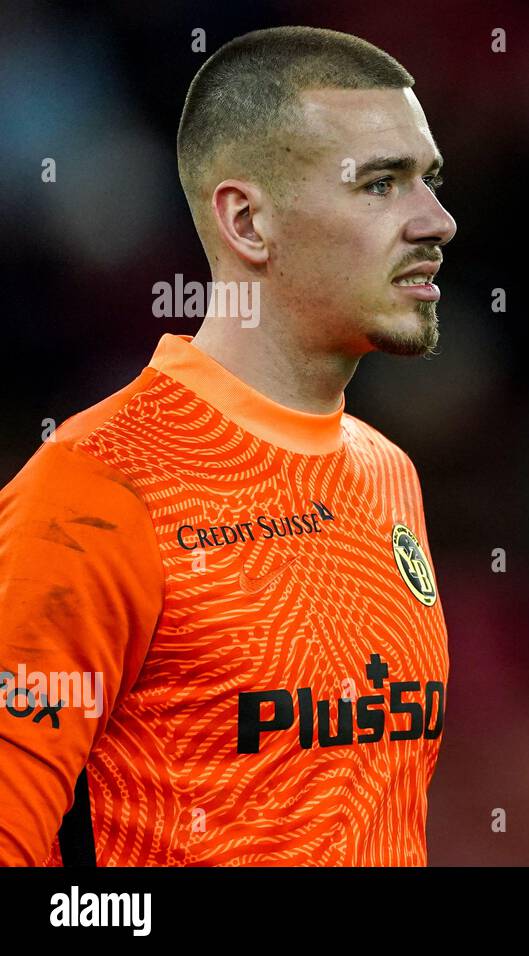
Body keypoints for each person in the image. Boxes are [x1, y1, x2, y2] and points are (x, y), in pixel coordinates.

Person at [0, 25, 455, 865]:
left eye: (430, 181)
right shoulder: (95, 490)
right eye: (382, 184)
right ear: (247, 220)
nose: (438, 221)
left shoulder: (390, 475)